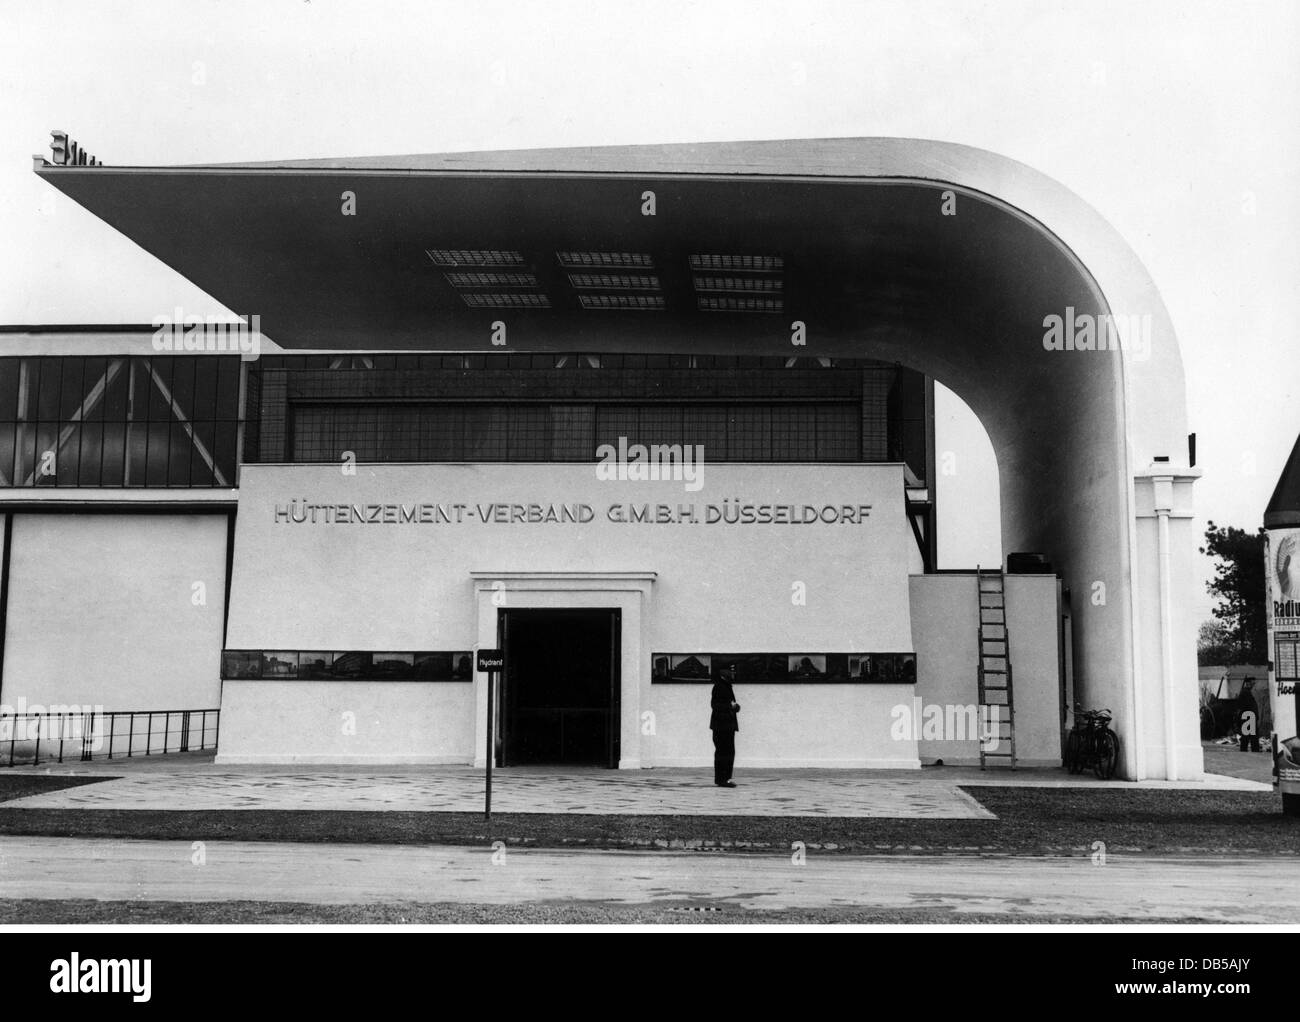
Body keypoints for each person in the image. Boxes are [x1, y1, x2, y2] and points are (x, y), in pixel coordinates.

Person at [710, 665, 741, 787]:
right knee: (725, 752)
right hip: (723, 726)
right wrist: (732, 707)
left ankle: (723, 778)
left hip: (724, 725)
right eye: (731, 671)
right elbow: (716, 705)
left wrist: (735, 707)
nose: (733, 673)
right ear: (723, 673)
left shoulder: (725, 685)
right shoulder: (720, 686)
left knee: (725, 752)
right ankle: (723, 779)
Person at [1237, 677, 1261, 752]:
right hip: (1249, 716)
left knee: (1247, 736)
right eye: (1252, 683)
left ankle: (1246, 749)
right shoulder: (1246, 692)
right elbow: (1248, 706)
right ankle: (1254, 749)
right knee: (1252, 736)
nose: (1253, 685)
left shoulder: (1245, 692)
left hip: (1248, 716)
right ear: (1248, 683)